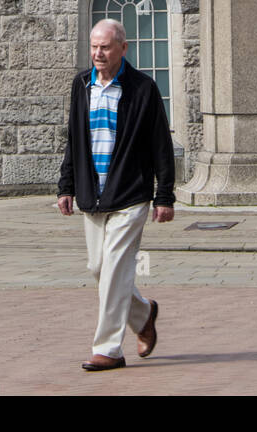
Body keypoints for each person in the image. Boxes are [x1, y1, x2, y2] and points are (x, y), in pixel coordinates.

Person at [58, 19, 175, 371]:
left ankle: (108, 349)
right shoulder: (81, 85)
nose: (98, 54)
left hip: (131, 194)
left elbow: (161, 145)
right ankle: (143, 315)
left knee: (113, 272)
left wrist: (164, 196)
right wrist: (66, 186)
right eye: (94, 47)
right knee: (98, 268)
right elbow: (74, 139)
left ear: (123, 48)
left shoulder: (143, 88)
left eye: (105, 47)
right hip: (92, 195)